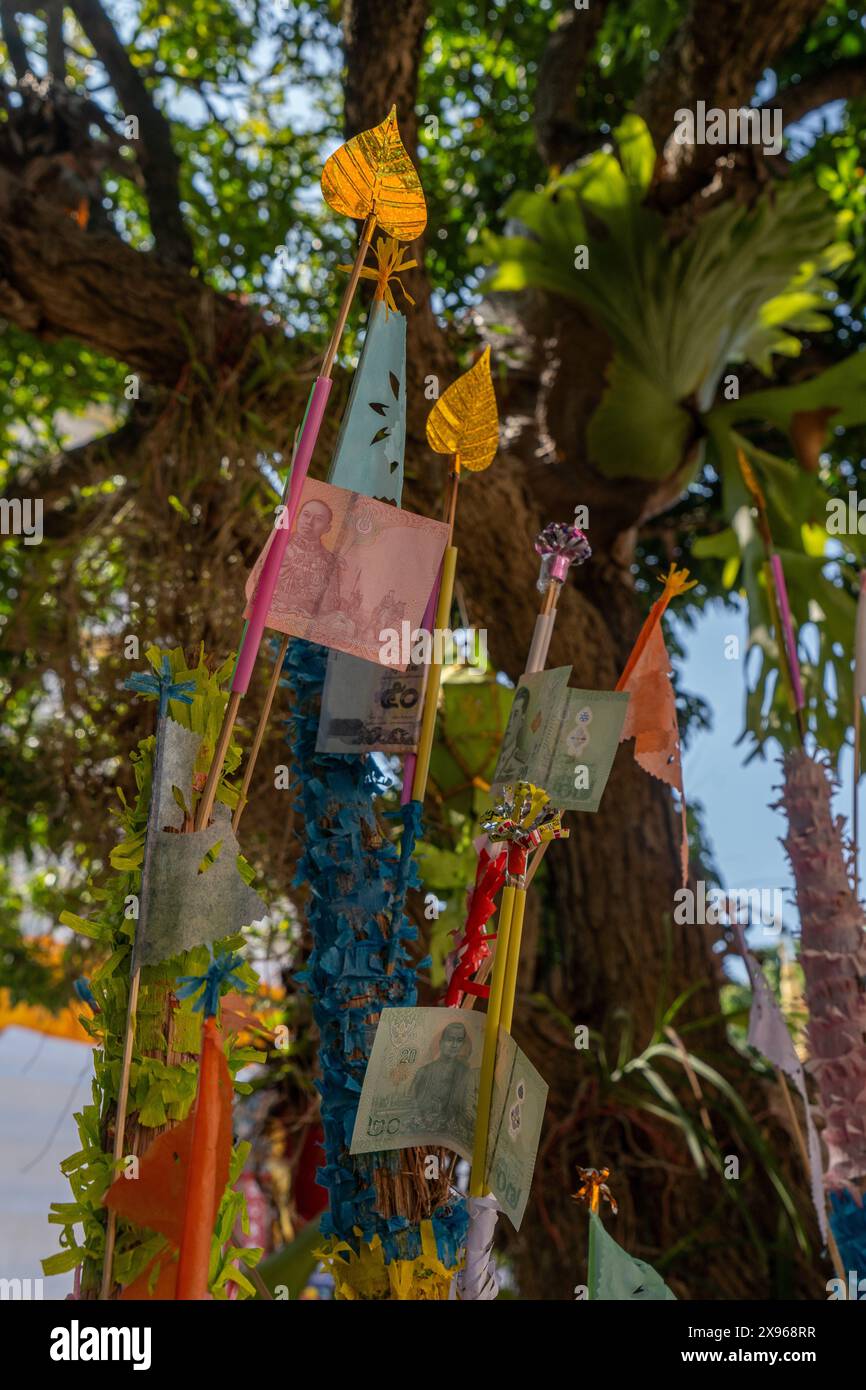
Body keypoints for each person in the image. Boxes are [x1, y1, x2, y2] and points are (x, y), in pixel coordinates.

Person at [409, 1021, 476, 1141]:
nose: (454, 1045)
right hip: (421, 1136)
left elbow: (467, 1109)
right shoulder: (423, 1072)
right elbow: (411, 1104)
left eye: (459, 1040)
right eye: (450, 1039)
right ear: (440, 1043)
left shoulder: (466, 1073)